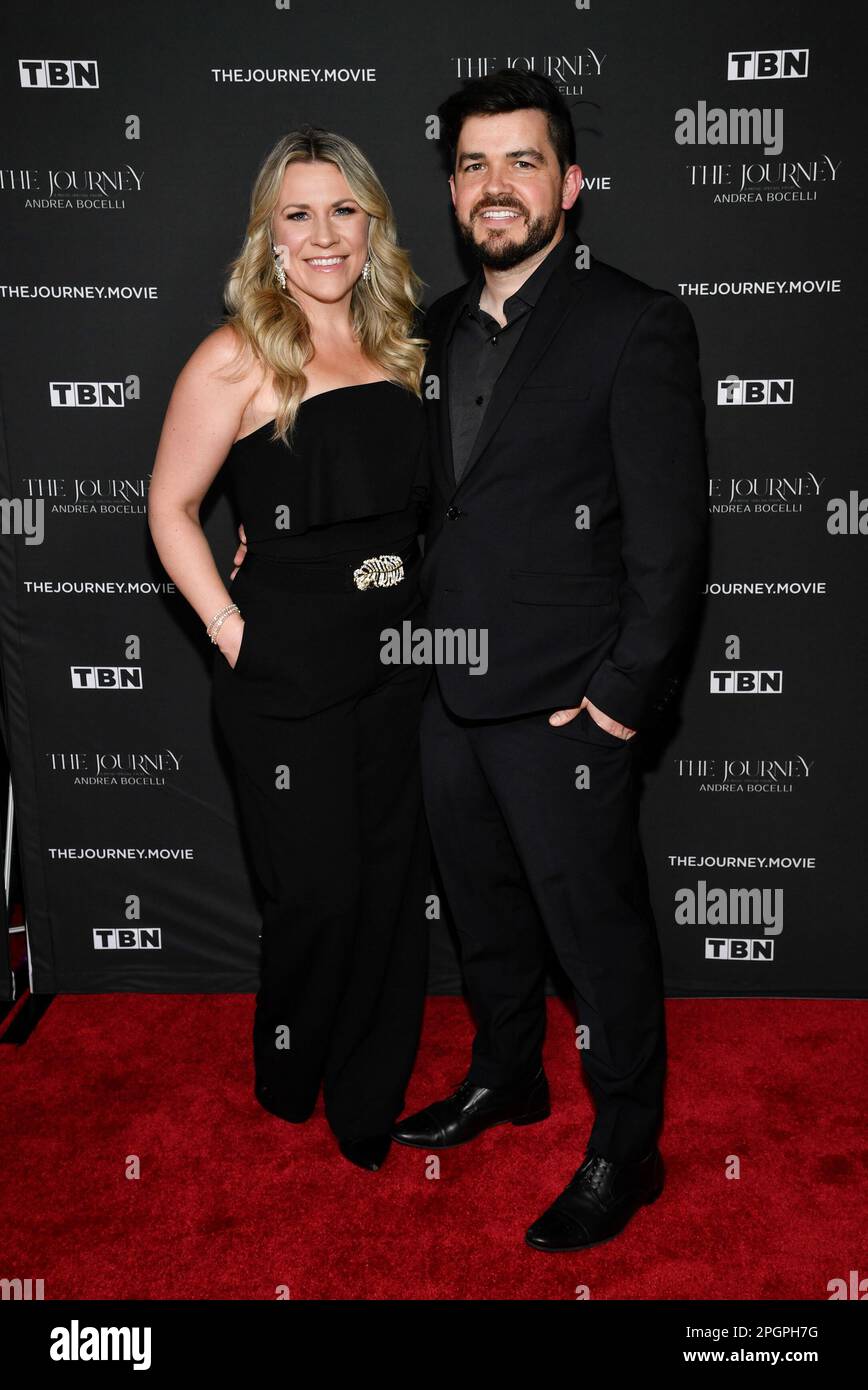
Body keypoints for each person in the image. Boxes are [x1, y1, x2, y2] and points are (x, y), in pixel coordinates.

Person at [390, 70, 709, 1252]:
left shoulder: (634, 320)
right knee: (483, 915)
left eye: (521, 161)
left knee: (598, 935)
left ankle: (628, 1145)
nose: (495, 185)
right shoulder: (426, 328)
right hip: (451, 688)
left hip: (569, 705)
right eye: (473, 165)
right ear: (454, 190)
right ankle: (508, 1076)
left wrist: (621, 703)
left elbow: (672, 542)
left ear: (569, 184)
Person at [147, 126, 432, 1173]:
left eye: (343, 210)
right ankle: (288, 1063)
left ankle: (365, 1093)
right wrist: (230, 629)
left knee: (393, 884)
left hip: (399, 657)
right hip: (286, 670)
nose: (324, 234)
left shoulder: (404, 345)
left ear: (372, 225)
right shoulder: (238, 353)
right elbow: (170, 507)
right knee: (318, 890)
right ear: (269, 234)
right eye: (299, 213)